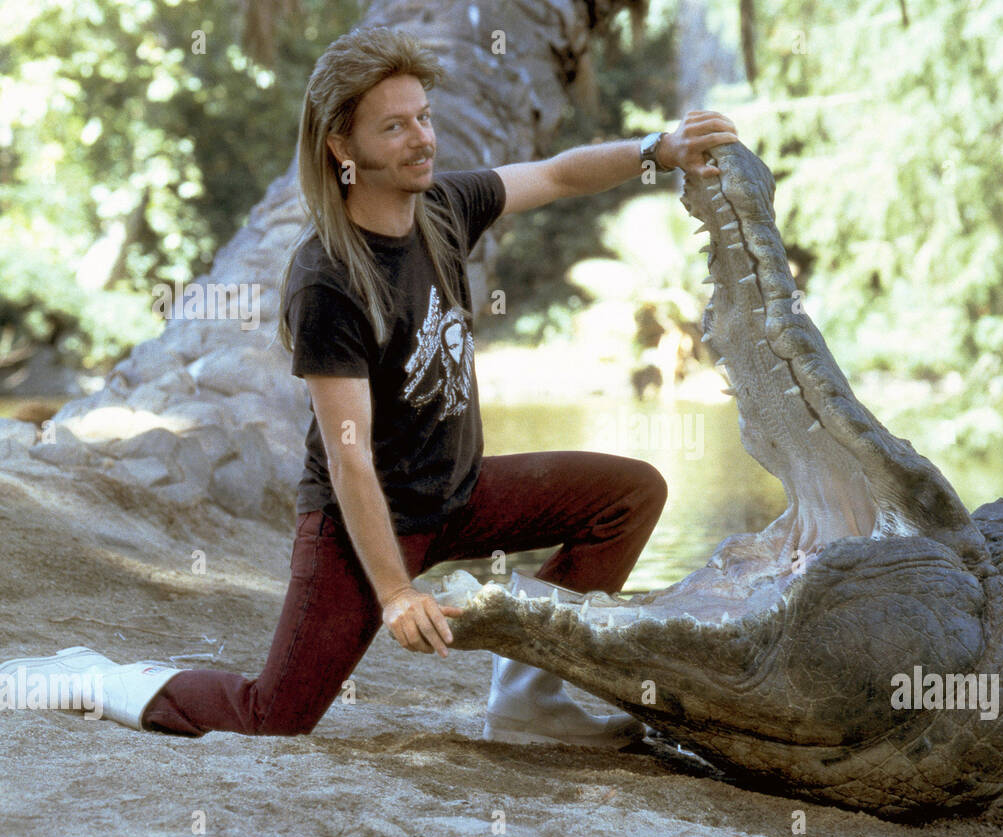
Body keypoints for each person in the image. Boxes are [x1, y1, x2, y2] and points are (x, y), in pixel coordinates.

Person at [1, 25, 739, 747]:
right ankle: (96, 679)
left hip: (460, 493)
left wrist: (658, 150)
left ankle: (528, 699)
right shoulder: (328, 278)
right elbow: (350, 456)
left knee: (629, 494)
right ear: (343, 148)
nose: (423, 138)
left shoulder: (444, 209)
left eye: (424, 117)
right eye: (396, 127)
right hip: (361, 527)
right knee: (275, 715)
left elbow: (553, 174)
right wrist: (395, 592)